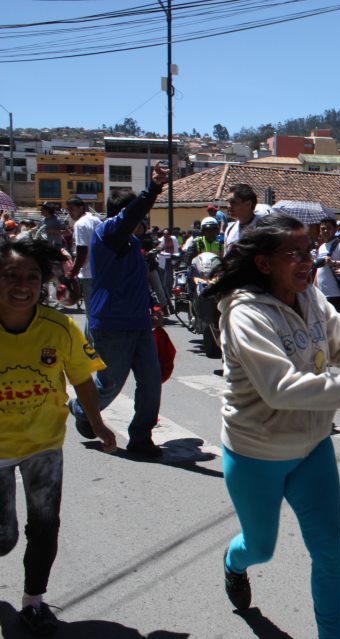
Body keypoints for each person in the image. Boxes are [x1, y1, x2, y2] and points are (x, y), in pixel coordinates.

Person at [202, 215, 340, 637]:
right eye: (293, 254)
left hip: (313, 447)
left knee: (329, 553)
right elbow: (279, 388)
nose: (306, 261)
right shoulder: (243, 315)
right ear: (263, 264)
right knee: (261, 547)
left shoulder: (309, 294)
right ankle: (234, 564)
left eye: (308, 250)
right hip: (257, 453)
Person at [0, 238, 117, 635]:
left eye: (31, 277)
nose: (21, 285)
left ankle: (33, 603)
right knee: (3, 536)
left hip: (43, 444)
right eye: (10, 276)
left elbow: (82, 377)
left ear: (45, 282)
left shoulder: (59, 327)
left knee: (45, 525)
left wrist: (98, 424)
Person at [67, 162, 169, 458]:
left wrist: (152, 306)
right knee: (109, 386)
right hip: (111, 325)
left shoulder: (133, 241)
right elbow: (131, 215)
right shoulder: (105, 234)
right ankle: (80, 407)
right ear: (124, 215)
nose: (142, 222)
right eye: (138, 215)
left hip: (139, 324)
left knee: (151, 382)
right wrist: (154, 188)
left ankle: (141, 437)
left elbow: (138, 280)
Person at [65, 197, 101, 306]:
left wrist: (73, 272)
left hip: (88, 274)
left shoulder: (80, 224)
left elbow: (82, 250)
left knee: (91, 312)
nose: (70, 212)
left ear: (81, 208)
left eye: (72, 209)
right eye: (68, 210)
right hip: (101, 272)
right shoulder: (96, 220)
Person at [313, 214, 340, 313]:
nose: (325, 231)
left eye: (329, 228)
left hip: (336, 294)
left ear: (335, 229)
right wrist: (314, 287)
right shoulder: (322, 247)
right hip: (322, 294)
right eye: (323, 228)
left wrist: (334, 262)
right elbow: (319, 270)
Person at [224, 184, 264, 253]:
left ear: (248, 204)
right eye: (228, 202)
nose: (229, 206)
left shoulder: (263, 228)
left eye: (233, 202)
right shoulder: (229, 230)